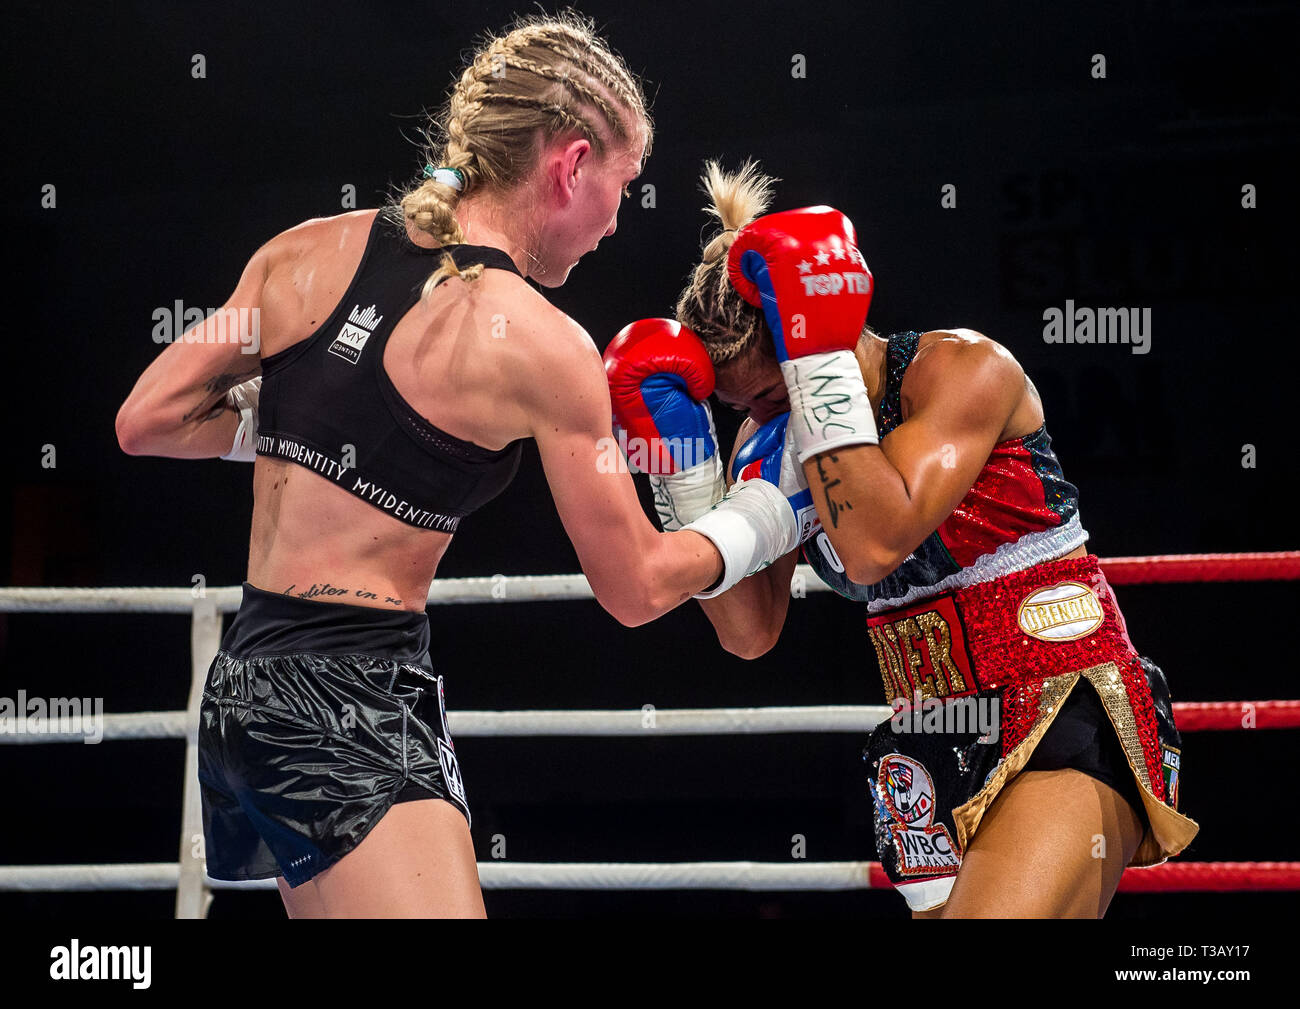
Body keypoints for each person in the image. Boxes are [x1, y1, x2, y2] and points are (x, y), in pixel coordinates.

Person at [114, 18, 796, 918]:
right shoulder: (542, 346)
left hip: (248, 687)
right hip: (343, 698)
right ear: (572, 163)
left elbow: (148, 417)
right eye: (624, 185)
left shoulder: (303, 251)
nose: (617, 221)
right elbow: (635, 586)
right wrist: (768, 511)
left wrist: (290, 418)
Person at [608, 160, 1198, 917]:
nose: (760, 415)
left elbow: (872, 544)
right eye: (739, 405)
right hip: (929, 742)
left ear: (815, 339)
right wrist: (686, 479)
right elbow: (748, 630)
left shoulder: (965, 371)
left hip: (1057, 707)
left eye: (770, 389)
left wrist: (816, 366)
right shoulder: (765, 438)